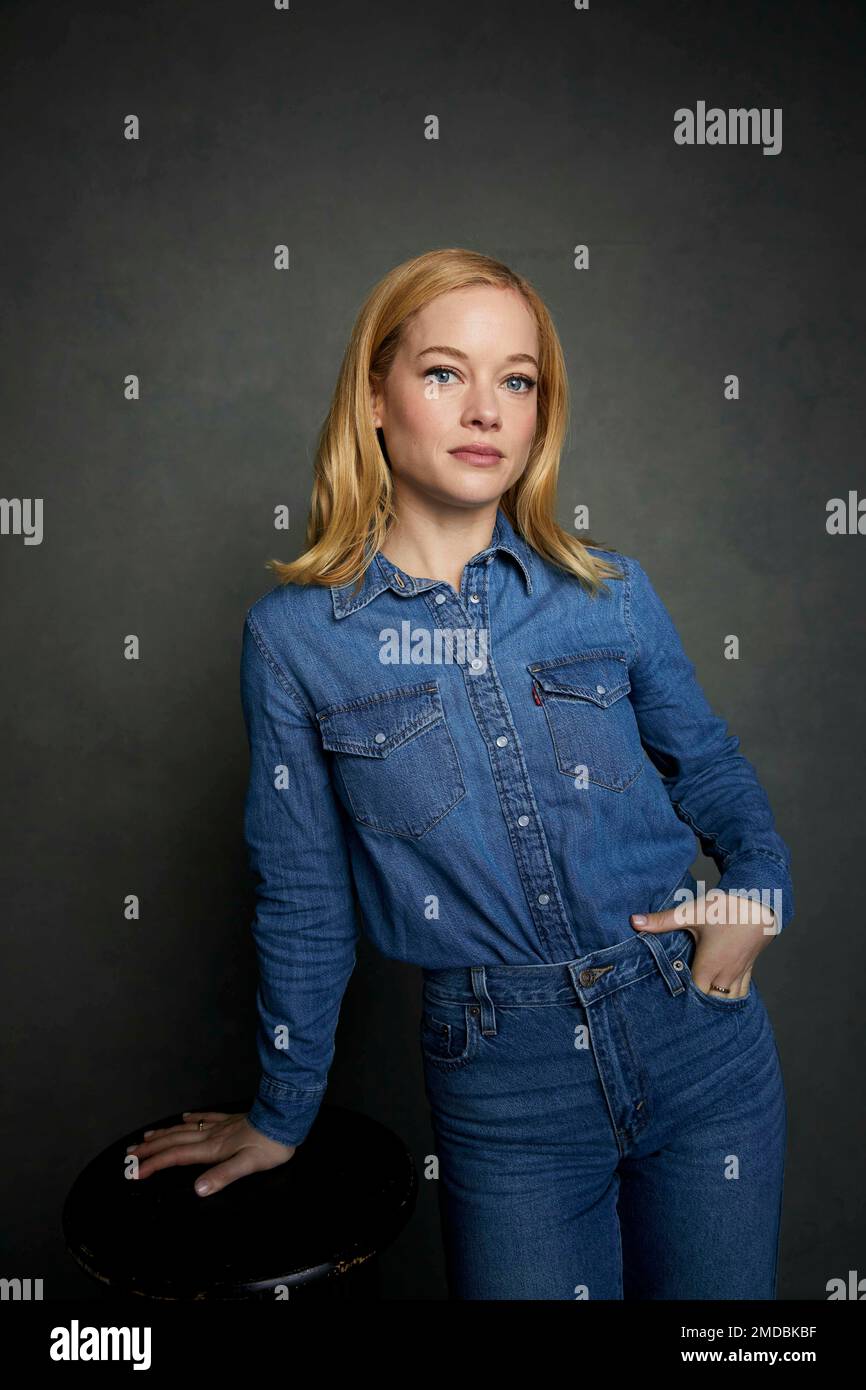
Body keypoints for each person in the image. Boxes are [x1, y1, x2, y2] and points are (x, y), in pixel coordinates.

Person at [128, 247, 792, 1300]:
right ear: (375, 398)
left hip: (697, 1041)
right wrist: (282, 1107)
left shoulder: (609, 593)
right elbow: (303, 897)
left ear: (538, 413)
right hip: (504, 1085)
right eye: (444, 373)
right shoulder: (294, 641)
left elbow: (709, 768)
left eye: (515, 380)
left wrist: (755, 891)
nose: (484, 407)